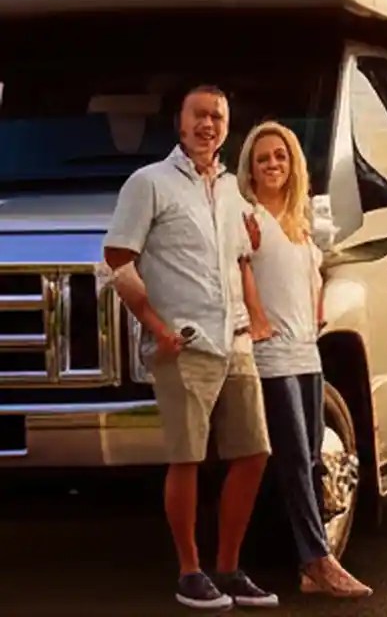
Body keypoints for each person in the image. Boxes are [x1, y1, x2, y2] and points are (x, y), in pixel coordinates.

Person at [101, 85, 280, 610]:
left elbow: (242, 258)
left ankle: (228, 568)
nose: (209, 124)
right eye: (199, 115)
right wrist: (156, 326)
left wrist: (256, 319)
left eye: (218, 117)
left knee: (253, 454)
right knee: (188, 460)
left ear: (227, 127)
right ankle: (189, 571)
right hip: (183, 345)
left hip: (235, 342)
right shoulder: (149, 183)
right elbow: (117, 259)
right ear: (179, 124)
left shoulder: (230, 190)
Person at [236, 120, 373, 599]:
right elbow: (240, 271)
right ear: (249, 171)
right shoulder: (248, 219)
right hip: (271, 354)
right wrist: (255, 318)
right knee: (293, 456)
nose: (272, 164)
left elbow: (313, 276)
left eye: (280, 156)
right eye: (262, 159)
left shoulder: (300, 223)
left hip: (306, 352)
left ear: (292, 163)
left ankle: (307, 568)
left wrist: (317, 312)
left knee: (312, 455)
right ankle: (317, 560)